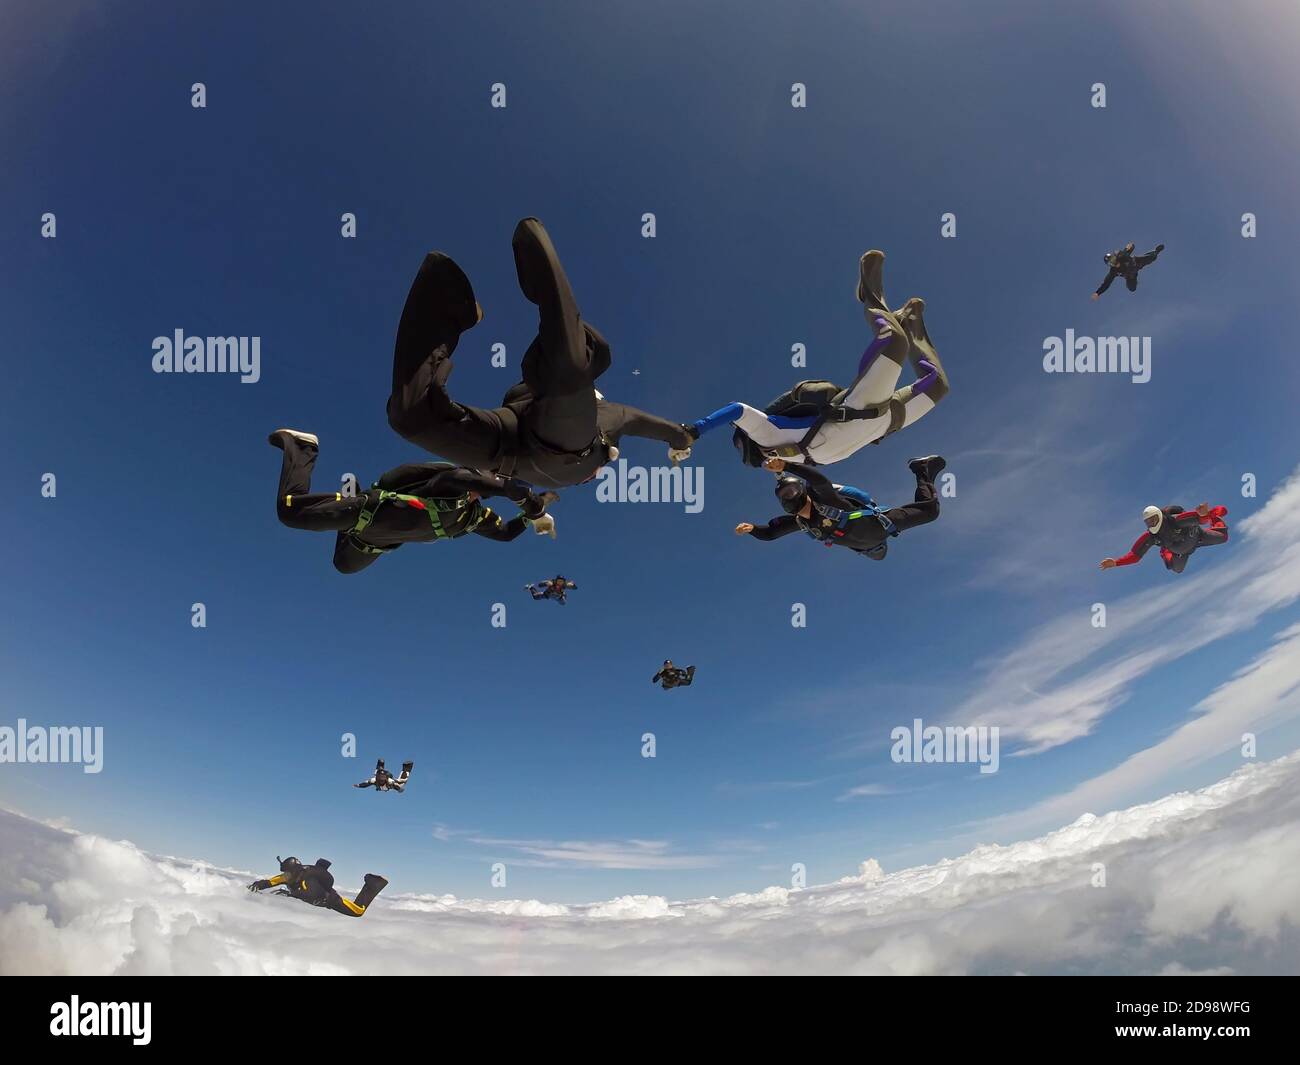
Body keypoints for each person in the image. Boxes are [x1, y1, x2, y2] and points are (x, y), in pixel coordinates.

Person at [386, 218, 697, 489]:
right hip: (526, 437)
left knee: (410, 418)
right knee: (570, 372)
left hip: (515, 451)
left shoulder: (595, 413)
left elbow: (642, 422)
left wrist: (680, 438)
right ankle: (457, 299)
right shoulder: (605, 413)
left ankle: (449, 301)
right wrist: (680, 439)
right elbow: (641, 420)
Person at [687, 251, 949, 466]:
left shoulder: (767, 437)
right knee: (937, 386)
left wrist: (695, 430)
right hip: (884, 423)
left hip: (861, 408)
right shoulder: (798, 465)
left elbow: (737, 410)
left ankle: (870, 295)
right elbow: (819, 494)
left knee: (894, 343)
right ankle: (910, 320)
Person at [269, 429, 556, 575]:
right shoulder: (449, 483)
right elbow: (467, 480)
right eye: (489, 473)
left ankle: (351, 495)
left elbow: (505, 534)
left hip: (371, 543)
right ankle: (302, 447)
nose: (489, 479)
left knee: (342, 566)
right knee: (289, 512)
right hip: (366, 513)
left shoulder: (474, 517)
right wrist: (519, 495)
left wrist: (532, 517)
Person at [736, 455, 945, 559]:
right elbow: (771, 533)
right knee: (879, 556)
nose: (787, 499)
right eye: (782, 497)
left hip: (881, 525)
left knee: (931, 511)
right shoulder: (801, 522)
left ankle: (922, 469)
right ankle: (876, 550)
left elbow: (819, 480)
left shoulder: (825, 499)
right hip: (870, 546)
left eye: (789, 492)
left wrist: (787, 466)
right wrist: (752, 529)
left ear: (802, 491)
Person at [1100, 503, 1228, 574]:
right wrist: (1116, 562)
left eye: (1153, 520)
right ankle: (1166, 552)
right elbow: (1135, 555)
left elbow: (1199, 519)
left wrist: (1205, 515)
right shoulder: (1151, 536)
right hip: (1179, 553)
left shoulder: (1175, 520)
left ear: (1160, 516)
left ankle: (1215, 517)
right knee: (1178, 570)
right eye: (1148, 522)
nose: (1152, 524)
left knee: (1223, 538)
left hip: (1198, 537)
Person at [247, 857, 388, 918]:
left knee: (358, 912)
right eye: (285, 873)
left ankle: (375, 882)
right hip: (322, 897)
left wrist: (290, 895)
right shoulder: (288, 877)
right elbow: (272, 882)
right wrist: (258, 884)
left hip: (333, 900)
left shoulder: (308, 880)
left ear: (296, 872)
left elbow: (310, 893)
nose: (285, 876)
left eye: (288, 873)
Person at [1092, 241, 1165, 299]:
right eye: (1111, 263)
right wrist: (1098, 293)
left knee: (1152, 257)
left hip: (1136, 262)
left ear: (1115, 257)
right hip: (1131, 275)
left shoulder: (1121, 255)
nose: (1114, 263)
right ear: (1110, 265)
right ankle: (1153, 254)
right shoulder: (1113, 271)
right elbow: (1106, 284)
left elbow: (1130, 247)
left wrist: (1130, 245)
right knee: (1132, 288)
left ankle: (1156, 252)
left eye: (1113, 260)